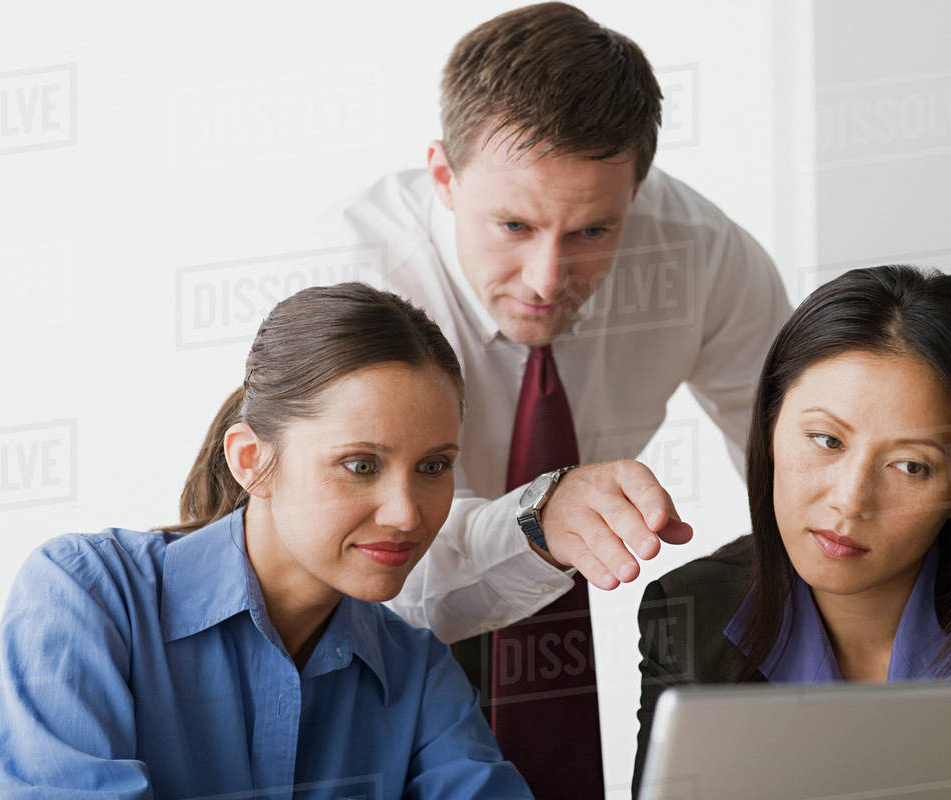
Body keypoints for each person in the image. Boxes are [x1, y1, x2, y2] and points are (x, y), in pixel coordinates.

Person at [344, 3, 791, 797]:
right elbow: (365, 568)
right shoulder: (362, 283)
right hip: (366, 650)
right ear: (443, 176)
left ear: (638, 191)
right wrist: (535, 519)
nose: (549, 279)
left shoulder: (701, 255)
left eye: (592, 232)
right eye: (513, 225)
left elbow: (796, 458)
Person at [0, 284, 531, 799]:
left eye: (433, 466)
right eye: (361, 465)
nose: (405, 513)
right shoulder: (82, 595)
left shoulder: (418, 673)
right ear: (251, 461)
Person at [632, 265, 951, 797]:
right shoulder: (690, 613)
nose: (849, 501)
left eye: (911, 466)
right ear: (768, 426)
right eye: (826, 440)